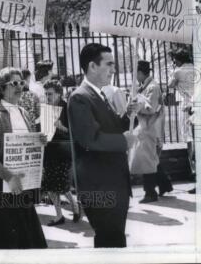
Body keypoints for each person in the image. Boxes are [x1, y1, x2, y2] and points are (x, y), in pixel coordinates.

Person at [68, 43, 138, 248]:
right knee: (110, 242)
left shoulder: (99, 94)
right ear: (92, 66)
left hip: (112, 183)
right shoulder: (80, 97)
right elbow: (90, 139)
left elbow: (112, 127)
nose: (113, 69)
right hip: (99, 186)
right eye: (109, 64)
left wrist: (129, 115)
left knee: (114, 239)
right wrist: (124, 141)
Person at [0, 67, 47, 249]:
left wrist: (39, 141)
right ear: (2, 88)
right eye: (14, 83)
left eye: (22, 83)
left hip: (23, 190)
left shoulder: (24, 113)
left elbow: (30, 145)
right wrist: (8, 176)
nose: (20, 87)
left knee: (30, 245)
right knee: (8, 248)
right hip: (2, 191)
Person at [131, 61, 173, 203]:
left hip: (151, 127)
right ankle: (164, 184)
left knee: (146, 159)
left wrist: (137, 106)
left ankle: (150, 193)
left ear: (141, 72)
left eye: (136, 73)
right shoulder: (145, 86)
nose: (134, 76)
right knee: (151, 158)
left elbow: (152, 108)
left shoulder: (152, 87)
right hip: (147, 126)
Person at [41, 79, 80, 226]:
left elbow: (75, 133)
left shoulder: (68, 108)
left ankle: (75, 206)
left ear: (58, 94)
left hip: (63, 152)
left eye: (50, 94)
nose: (47, 97)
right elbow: (44, 130)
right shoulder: (46, 108)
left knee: (62, 186)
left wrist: (61, 127)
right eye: (45, 94)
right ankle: (59, 216)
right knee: (50, 186)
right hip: (50, 151)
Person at [168, 49, 195, 193]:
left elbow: (170, 85)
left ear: (177, 60)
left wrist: (173, 69)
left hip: (186, 106)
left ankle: (195, 172)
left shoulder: (178, 71)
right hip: (198, 104)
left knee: (190, 139)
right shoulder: (196, 67)